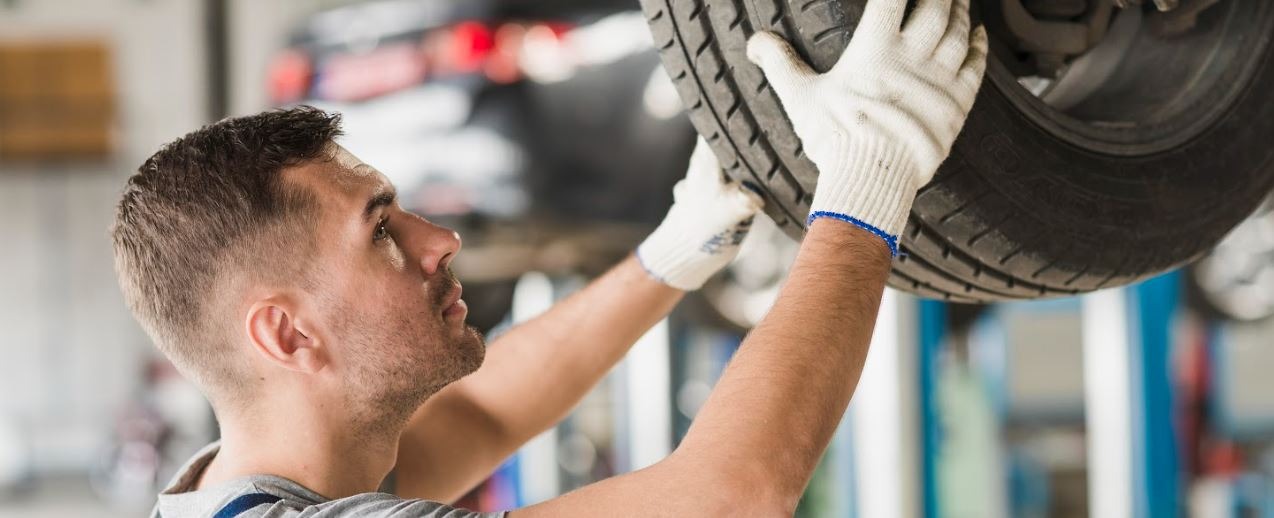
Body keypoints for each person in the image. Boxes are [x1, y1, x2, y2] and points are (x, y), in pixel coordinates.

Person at [113, 0, 986, 515]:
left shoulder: (260, 484)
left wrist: (672, 254)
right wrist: (869, 180)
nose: (440, 239)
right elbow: (729, 496)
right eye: (380, 233)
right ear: (287, 335)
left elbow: (481, 414)